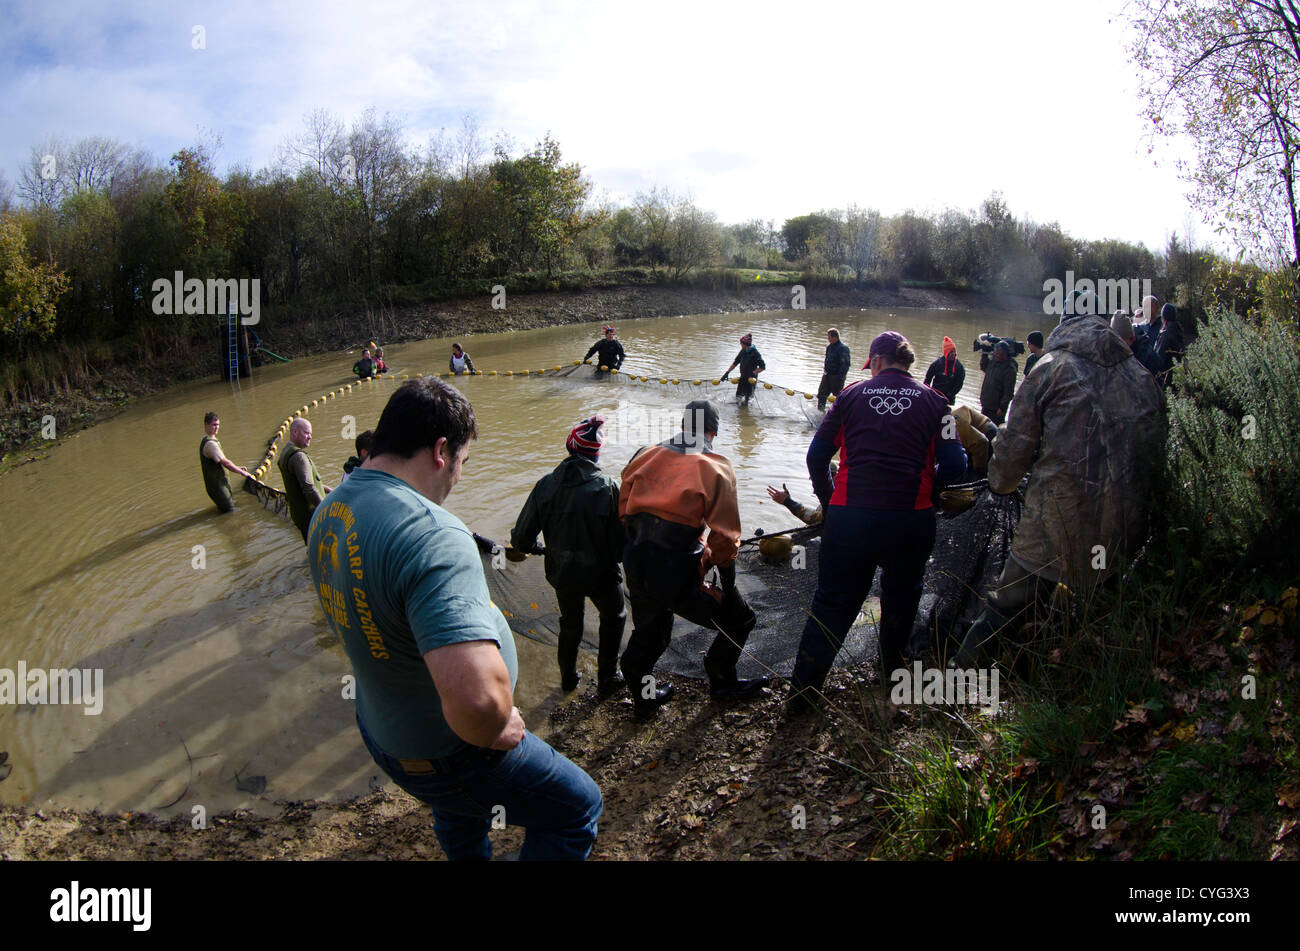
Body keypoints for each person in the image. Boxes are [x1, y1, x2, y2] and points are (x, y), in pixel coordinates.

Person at [306, 377, 602, 861]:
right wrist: (495, 726)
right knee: (577, 808)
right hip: (451, 752)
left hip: (384, 731)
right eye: (463, 461)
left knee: (460, 810)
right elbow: (478, 703)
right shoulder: (433, 535)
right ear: (441, 450)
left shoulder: (331, 510)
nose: (459, 476)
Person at [954, 293, 1165, 666]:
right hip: (1125, 529)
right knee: (1096, 607)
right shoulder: (1142, 375)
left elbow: (1011, 455)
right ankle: (1077, 677)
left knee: (1007, 605)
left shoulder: (1051, 368)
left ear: (1065, 322)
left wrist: (999, 481)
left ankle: (959, 680)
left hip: (1057, 523)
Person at [787, 332, 967, 714]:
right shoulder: (938, 403)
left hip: (850, 520)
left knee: (832, 604)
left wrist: (830, 503)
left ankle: (801, 699)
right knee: (901, 597)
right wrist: (932, 488)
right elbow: (956, 464)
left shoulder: (849, 397)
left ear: (879, 361)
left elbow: (816, 457)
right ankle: (887, 678)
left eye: (871, 366)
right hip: (910, 521)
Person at [618, 399, 771, 718]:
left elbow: (623, 509)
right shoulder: (716, 466)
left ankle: (644, 698)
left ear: (683, 425)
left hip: (635, 559)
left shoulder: (645, 454)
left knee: (652, 630)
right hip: (674, 568)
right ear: (714, 432)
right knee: (741, 619)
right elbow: (724, 539)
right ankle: (721, 680)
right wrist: (727, 583)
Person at [511, 416, 627, 696]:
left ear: (569, 447)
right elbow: (620, 547)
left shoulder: (545, 485)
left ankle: (568, 680)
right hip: (601, 574)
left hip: (562, 572)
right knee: (615, 616)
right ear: (596, 454)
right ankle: (607, 678)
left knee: (570, 623)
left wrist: (538, 547)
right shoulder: (608, 487)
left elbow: (521, 539)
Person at [278, 417, 330, 542]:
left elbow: (300, 483)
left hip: (299, 514)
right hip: (311, 515)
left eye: (310, 434)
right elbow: (309, 488)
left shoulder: (285, 453)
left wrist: (329, 490)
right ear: (295, 432)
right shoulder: (299, 457)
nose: (309, 437)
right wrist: (325, 510)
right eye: (306, 433)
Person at [199, 412, 253, 513]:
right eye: (214, 425)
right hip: (218, 487)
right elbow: (226, 463)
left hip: (218, 485)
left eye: (218, 424)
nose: (217, 427)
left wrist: (237, 467)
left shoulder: (209, 439)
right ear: (206, 424)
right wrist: (242, 472)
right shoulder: (210, 444)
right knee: (230, 512)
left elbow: (220, 461)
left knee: (226, 510)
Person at [952, 405, 998, 478]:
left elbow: (981, 441)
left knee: (976, 475)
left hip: (987, 435)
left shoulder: (953, 421)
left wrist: (978, 471)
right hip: (974, 437)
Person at [1111, 312, 1162, 378]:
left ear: (1133, 338)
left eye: (1121, 342)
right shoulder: (1118, 354)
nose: (1119, 346)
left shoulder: (1148, 358)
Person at [721, 333, 766, 406]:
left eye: (741, 343)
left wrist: (754, 373)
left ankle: (746, 408)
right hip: (743, 377)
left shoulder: (755, 353)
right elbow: (735, 363)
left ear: (745, 344)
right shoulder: (743, 351)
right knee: (738, 397)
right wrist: (727, 373)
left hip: (751, 379)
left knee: (746, 401)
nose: (740, 344)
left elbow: (762, 367)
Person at [979, 340, 1017, 425]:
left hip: (996, 408)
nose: (996, 355)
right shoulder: (993, 362)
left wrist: (1002, 408)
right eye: (995, 353)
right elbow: (984, 367)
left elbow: (1008, 392)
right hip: (986, 403)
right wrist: (984, 354)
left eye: (999, 354)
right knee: (982, 427)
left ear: (1005, 354)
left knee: (993, 429)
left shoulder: (1009, 370)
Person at [923, 336, 965, 404]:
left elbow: (959, 385)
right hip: (935, 396)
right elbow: (927, 379)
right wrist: (927, 393)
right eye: (951, 352)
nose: (953, 354)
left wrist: (949, 396)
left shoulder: (959, 367)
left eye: (954, 351)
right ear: (946, 353)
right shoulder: (936, 364)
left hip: (949, 399)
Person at [817, 328, 852, 411]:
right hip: (827, 375)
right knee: (821, 394)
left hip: (837, 377)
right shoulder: (829, 347)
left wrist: (840, 377)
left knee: (837, 397)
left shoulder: (843, 348)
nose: (828, 339)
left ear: (835, 337)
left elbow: (845, 364)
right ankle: (820, 410)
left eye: (829, 337)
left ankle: (837, 413)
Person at [1152, 302, 1186, 389]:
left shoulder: (1166, 334)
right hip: (1178, 376)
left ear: (1163, 317)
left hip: (1167, 379)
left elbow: (1159, 358)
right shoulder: (1178, 331)